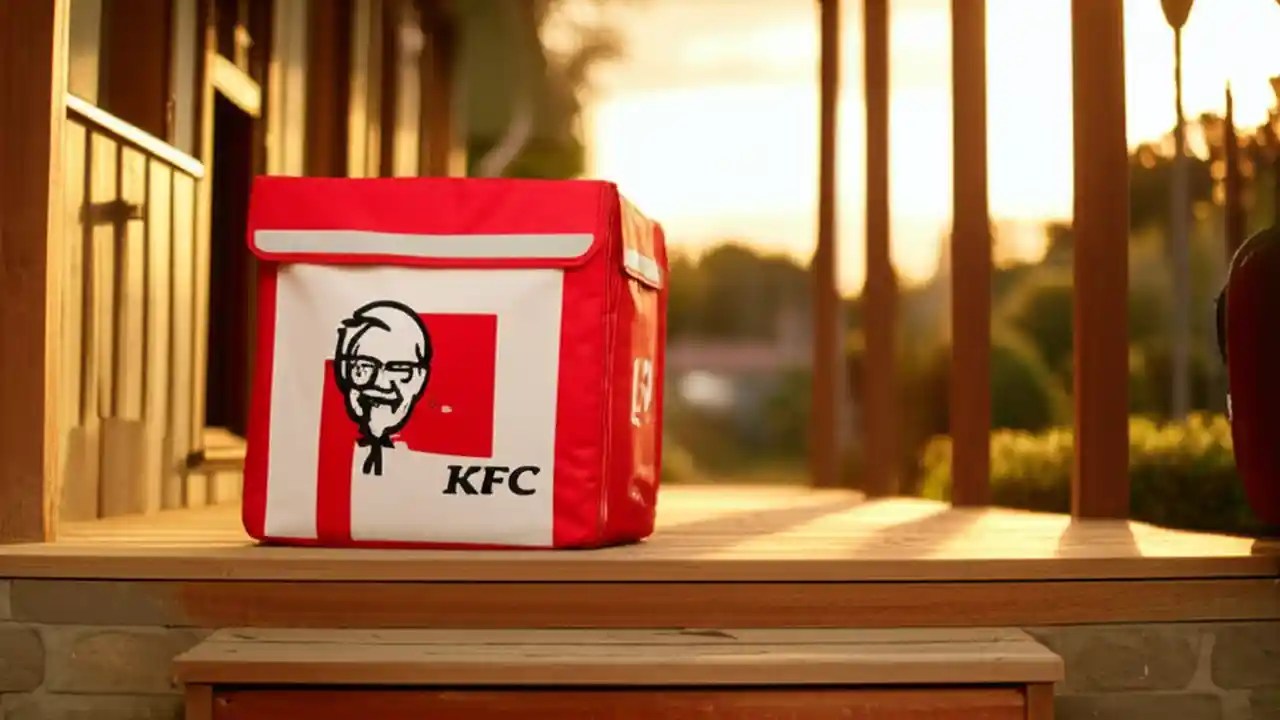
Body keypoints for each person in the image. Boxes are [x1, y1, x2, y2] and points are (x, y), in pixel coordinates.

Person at [333, 300, 432, 475]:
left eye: (399, 369)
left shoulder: (423, 469)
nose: (381, 383)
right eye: (365, 366)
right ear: (343, 371)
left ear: (420, 379)